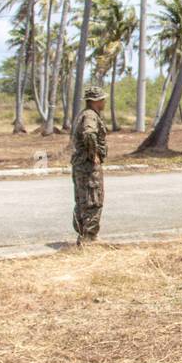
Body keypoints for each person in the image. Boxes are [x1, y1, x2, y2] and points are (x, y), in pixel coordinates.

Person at [71, 85, 108, 246]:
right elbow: (89, 134)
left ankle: (84, 235)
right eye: (102, 99)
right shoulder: (90, 116)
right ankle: (89, 238)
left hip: (80, 165)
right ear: (96, 101)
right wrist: (94, 155)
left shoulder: (84, 114)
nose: (104, 102)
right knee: (93, 200)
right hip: (87, 166)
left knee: (82, 200)